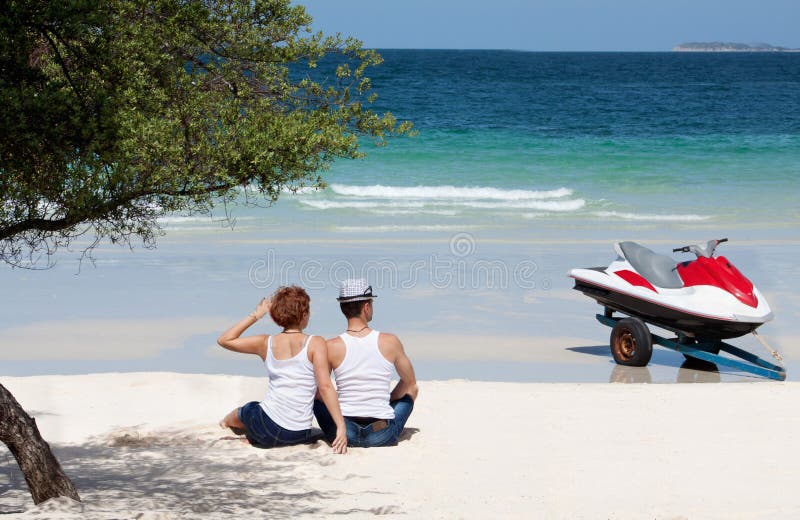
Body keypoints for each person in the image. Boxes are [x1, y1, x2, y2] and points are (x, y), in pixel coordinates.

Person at [217, 285, 347, 453]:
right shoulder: (316, 343)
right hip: (297, 434)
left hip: (265, 428)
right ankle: (238, 427)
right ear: (305, 314)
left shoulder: (265, 343)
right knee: (253, 409)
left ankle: (226, 422)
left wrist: (256, 315)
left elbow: (224, 340)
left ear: (276, 315)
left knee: (249, 409)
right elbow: (325, 387)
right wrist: (340, 426)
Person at [314, 278, 418, 447]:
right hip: (381, 434)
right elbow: (410, 383)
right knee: (411, 393)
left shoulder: (331, 346)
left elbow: (320, 391)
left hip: (345, 432)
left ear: (343, 308)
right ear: (366, 307)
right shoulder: (390, 341)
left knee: (317, 401)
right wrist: (389, 399)